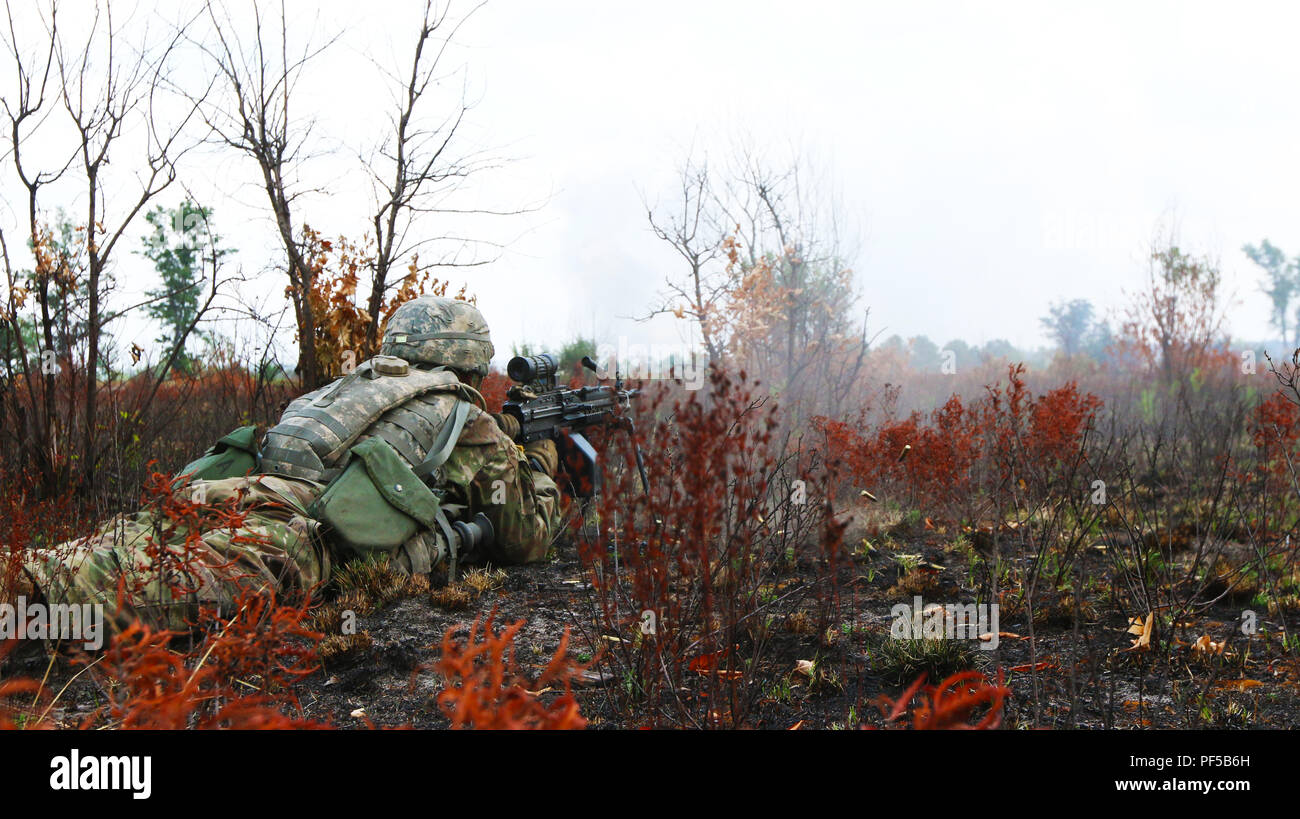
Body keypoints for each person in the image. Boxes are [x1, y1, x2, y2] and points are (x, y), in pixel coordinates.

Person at [15, 296, 563, 634]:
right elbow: (524, 540)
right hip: (293, 527)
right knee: (115, 588)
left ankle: (24, 576)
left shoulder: (359, 384)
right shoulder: (463, 412)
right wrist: (540, 463)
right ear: (471, 359)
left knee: (97, 551)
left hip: (237, 490)